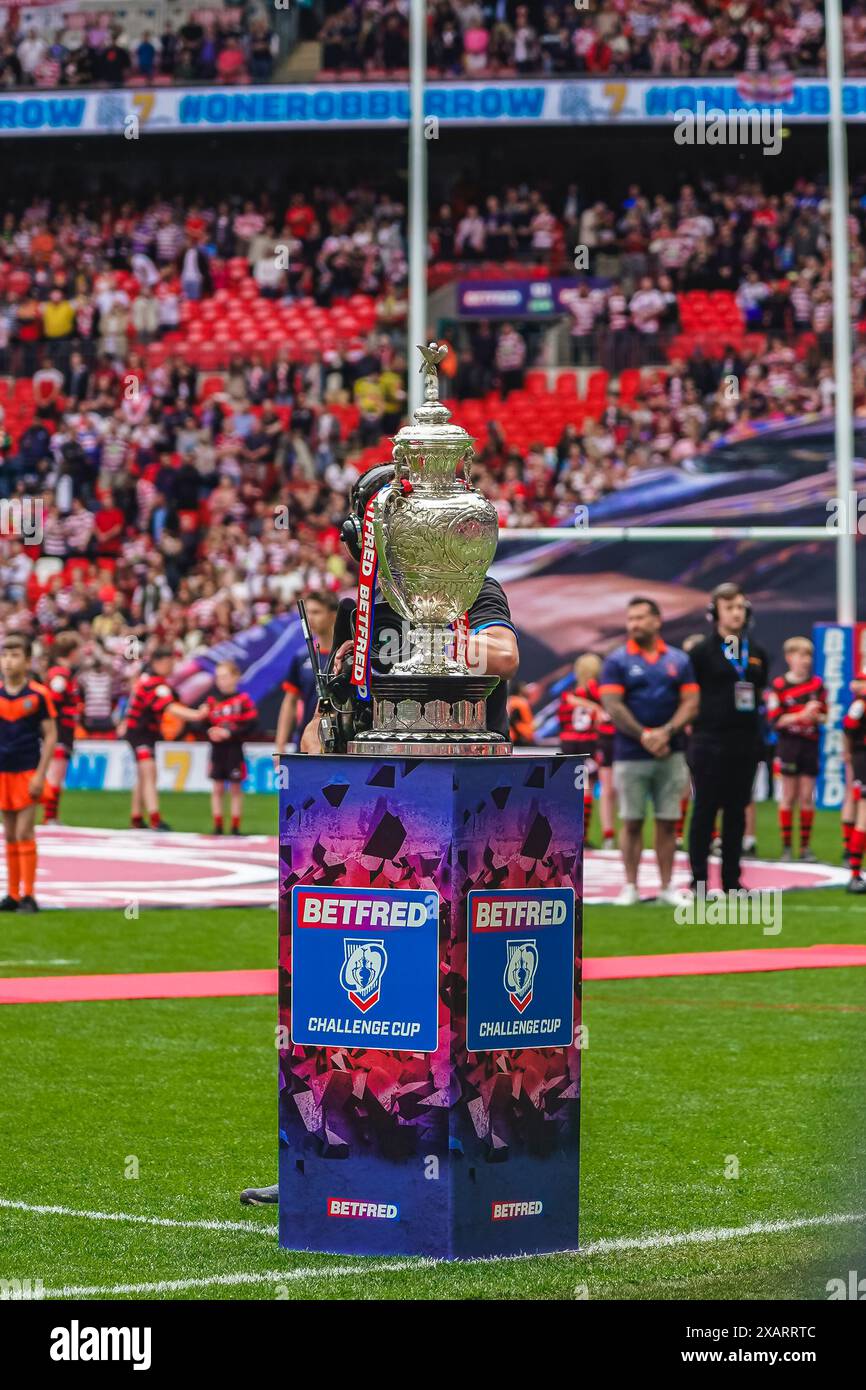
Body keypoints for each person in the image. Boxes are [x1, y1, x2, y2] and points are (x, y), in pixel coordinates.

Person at [240, 464, 520, 1207]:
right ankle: (319, 1160)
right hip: (361, 821)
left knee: (434, 1001)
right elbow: (328, 716)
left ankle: (439, 1157)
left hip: (445, 814)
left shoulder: (469, 591)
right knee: (334, 1001)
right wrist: (310, 760)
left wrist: (435, 642)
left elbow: (504, 656)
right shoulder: (354, 612)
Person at [600, 598, 698, 905]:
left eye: (641, 617)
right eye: (631, 618)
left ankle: (667, 886)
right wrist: (644, 735)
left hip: (672, 751)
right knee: (631, 820)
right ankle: (630, 885)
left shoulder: (679, 660)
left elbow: (691, 703)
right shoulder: (616, 660)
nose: (635, 624)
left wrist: (666, 732)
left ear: (658, 620)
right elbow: (613, 705)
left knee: (669, 820)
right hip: (631, 751)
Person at [686, 582, 769, 895]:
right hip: (709, 740)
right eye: (730, 607)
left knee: (737, 811)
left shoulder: (757, 653)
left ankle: (733, 880)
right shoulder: (701, 653)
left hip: (745, 741)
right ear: (715, 613)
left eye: (740, 607)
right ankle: (698, 880)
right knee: (705, 810)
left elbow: (758, 694)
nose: (737, 613)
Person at [116, 647, 205, 832]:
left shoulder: (148, 680)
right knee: (149, 772)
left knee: (143, 774)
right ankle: (155, 818)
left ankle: (136, 818)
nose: (173, 666)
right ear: (159, 662)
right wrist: (197, 715)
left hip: (139, 732)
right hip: (140, 733)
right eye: (170, 662)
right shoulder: (156, 684)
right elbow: (170, 708)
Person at [0, 635, 57, 914]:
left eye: (14, 655)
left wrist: (40, 774)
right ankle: (11, 894)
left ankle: (29, 895)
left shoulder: (37, 695)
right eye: (5, 655)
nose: (8, 661)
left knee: (25, 830)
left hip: (27, 771)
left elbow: (50, 735)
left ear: (26, 660)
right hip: (3, 772)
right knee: (9, 833)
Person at [766, 637, 826, 862]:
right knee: (788, 795)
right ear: (789, 657)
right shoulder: (779, 686)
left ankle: (806, 848)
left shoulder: (817, 685)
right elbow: (774, 720)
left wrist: (816, 716)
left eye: (808, 656)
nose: (805, 661)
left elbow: (825, 716)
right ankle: (787, 847)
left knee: (806, 796)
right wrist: (801, 715)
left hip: (810, 745)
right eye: (801, 655)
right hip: (788, 746)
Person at [558, 652, 615, 849]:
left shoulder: (569, 695)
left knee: (575, 789)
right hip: (588, 744)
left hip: (568, 744)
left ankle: (573, 835)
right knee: (586, 788)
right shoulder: (595, 691)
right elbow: (605, 717)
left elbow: (562, 720)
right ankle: (581, 835)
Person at [274, 591, 337, 759]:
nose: (310, 618)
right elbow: (290, 701)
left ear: (333, 615)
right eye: (307, 612)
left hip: (339, 743)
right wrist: (280, 745)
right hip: (305, 741)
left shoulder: (347, 656)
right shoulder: (301, 657)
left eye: (316, 612)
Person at [203, 661, 258, 835]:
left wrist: (230, 733)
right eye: (218, 677)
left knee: (235, 787)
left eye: (225, 676)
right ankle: (218, 825)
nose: (221, 681)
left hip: (234, 750)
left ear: (235, 677)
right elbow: (201, 723)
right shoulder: (211, 701)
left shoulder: (243, 700)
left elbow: (253, 723)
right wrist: (210, 731)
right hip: (216, 751)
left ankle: (235, 826)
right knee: (217, 787)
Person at [41, 630, 82, 825]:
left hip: (64, 731)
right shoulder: (59, 676)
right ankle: (50, 816)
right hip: (59, 731)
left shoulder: (62, 674)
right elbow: (52, 704)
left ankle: (51, 815)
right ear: (71, 652)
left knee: (57, 774)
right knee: (55, 774)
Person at [842, 686, 866, 893]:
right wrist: (847, 754)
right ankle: (854, 875)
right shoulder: (860, 704)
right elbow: (847, 729)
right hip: (863, 759)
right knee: (863, 816)